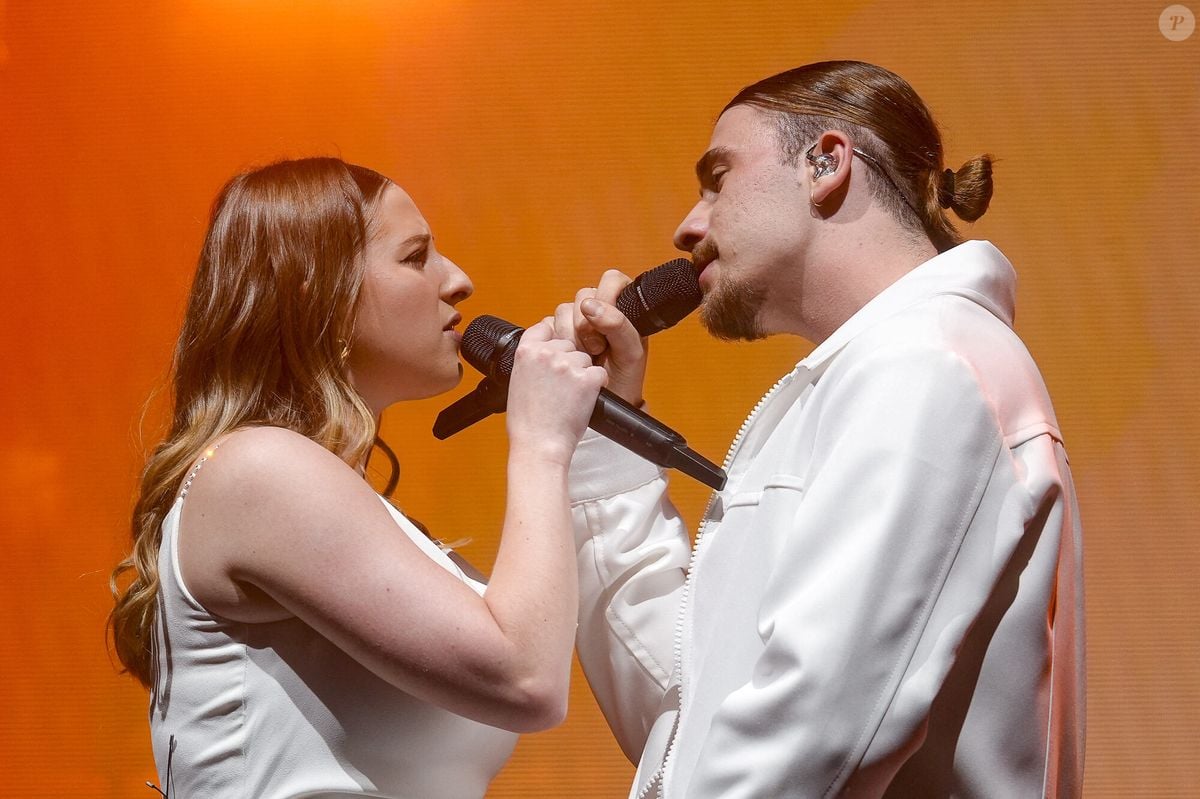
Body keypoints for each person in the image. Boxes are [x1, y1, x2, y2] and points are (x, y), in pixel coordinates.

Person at [555, 61, 1085, 797]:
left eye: (718, 176)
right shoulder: (863, 381)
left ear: (826, 162)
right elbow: (688, 726)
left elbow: (808, 737)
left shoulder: (928, 367)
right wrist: (605, 447)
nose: (688, 225)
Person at [108, 157, 608, 798]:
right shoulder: (257, 469)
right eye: (415, 256)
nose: (459, 280)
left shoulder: (318, 489)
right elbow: (525, 678)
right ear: (320, 292)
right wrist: (540, 443)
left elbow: (536, 639)